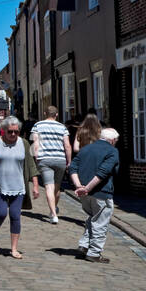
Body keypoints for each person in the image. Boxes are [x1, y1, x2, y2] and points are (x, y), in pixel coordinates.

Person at [0, 117, 40, 259]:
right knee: (0, 213)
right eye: (10, 132)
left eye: (16, 132)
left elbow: (31, 166)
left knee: (15, 215)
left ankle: (13, 248)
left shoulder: (24, 144)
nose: (13, 135)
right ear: (4, 131)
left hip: (18, 187)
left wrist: (35, 185)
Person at [69, 126, 120, 263]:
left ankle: (84, 245)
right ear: (113, 140)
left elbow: (73, 167)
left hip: (85, 195)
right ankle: (94, 253)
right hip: (101, 193)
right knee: (100, 223)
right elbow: (103, 173)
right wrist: (87, 188)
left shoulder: (86, 149)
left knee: (92, 218)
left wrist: (79, 186)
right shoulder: (112, 151)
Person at [30, 106, 71, 225]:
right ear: (56, 115)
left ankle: (53, 214)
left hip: (45, 159)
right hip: (60, 159)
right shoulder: (62, 127)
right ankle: (53, 209)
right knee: (57, 187)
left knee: (49, 186)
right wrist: (69, 161)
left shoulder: (38, 125)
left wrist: (36, 157)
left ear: (44, 113)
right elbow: (67, 145)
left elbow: (35, 143)